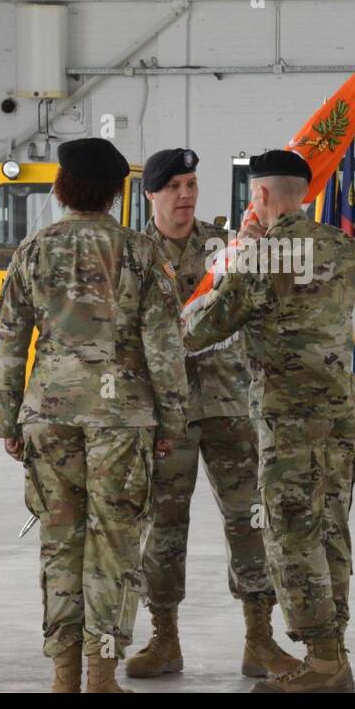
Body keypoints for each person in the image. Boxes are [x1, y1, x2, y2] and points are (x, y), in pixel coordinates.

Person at [0, 137, 188, 694]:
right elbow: (165, 349)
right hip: (121, 420)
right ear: (116, 191)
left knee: (59, 543)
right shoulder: (141, 252)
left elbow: (9, 340)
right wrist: (172, 422)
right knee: (114, 545)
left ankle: (62, 677)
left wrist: (6, 418)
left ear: (62, 187)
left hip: (49, 416)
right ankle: (101, 674)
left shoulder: (32, 249)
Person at [183, 149, 355, 693]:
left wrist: (242, 251)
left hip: (288, 422)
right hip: (339, 417)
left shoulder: (262, 256)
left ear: (258, 196)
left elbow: (198, 328)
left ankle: (324, 660)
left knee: (290, 533)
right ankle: (337, 652)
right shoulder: (343, 247)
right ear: (302, 191)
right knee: (330, 527)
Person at [127, 147, 298, 680]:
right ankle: (164, 639)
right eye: (174, 185)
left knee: (250, 522)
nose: (185, 194)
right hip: (165, 414)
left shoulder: (225, 247)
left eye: (192, 183)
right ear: (150, 194)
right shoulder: (133, 253)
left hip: (230, 405)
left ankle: (260, 639)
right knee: (163, 527)